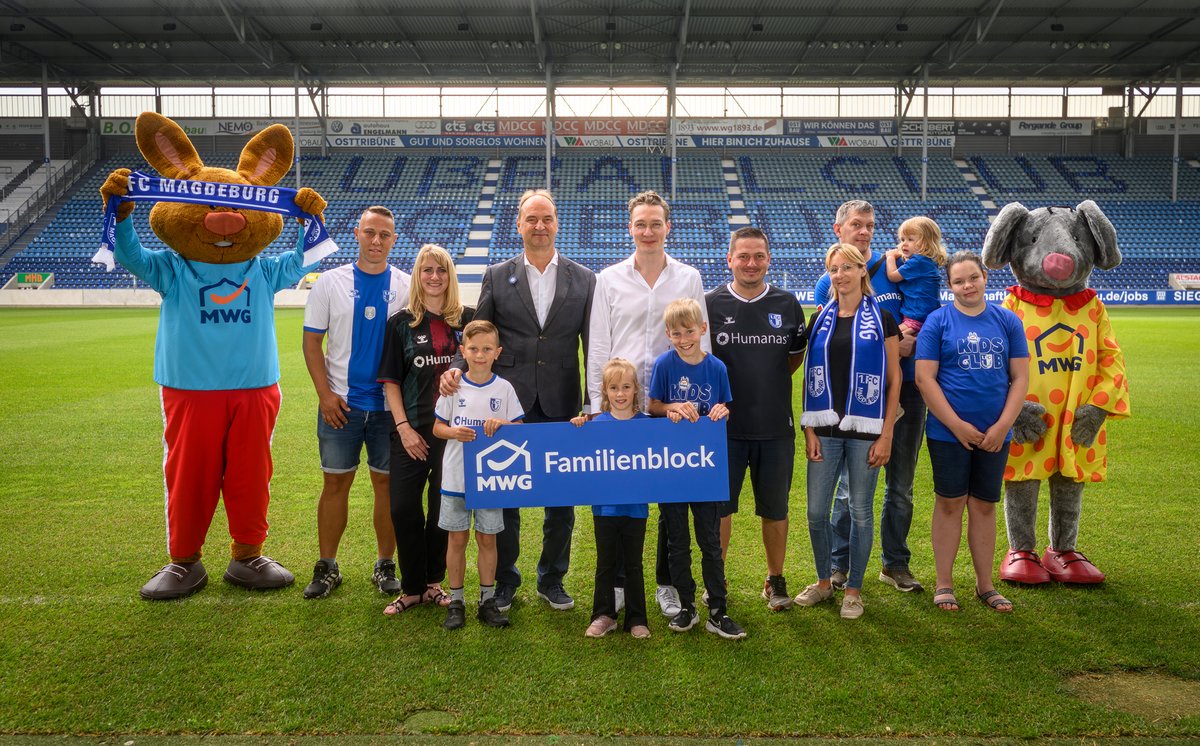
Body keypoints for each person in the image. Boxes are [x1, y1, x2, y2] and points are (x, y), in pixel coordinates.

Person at [440, 189, 595, 614]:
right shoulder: (497, 273)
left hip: (563, 405)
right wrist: (456, 366)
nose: (540, 226)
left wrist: (589, 402)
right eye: (532, 219)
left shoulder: (583, 278)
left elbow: (591, 344)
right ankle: (506, 580)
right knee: (504, 497)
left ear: (557, 223)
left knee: (561, 501)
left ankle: (552, 578)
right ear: (519, 224)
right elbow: (478, 330)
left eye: (547, 218)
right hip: (505, 410)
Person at [588, 190, 710, 620]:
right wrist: (595, 408)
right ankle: (620, 584)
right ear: (630, 228)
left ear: (667, 227)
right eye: (641, 223)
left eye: (655, 223)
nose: (648, 231)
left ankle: (665, 584)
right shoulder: (608, 278)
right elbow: (599, 345)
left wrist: (701, 402)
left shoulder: (689, 277)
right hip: (620, 408)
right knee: (620, 495)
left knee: (668, 500)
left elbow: (701, 343)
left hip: (671, 408)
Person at [813, 200, 927, 593]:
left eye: (870, 226)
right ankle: (840, 565)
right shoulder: (828, 282)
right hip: (854, 402)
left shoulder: (897, 268)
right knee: (848, 490)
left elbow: (926, 312)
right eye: (856, 225)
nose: (864, 232)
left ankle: (895, 563)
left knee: (901, 485)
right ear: (838, 229)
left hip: (905, 389)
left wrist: (913, 339)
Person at [301, 206, 410, 599]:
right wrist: (325, 395)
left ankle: (385, 564)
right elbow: (312, 343)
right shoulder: (330, 283)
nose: (377, 240)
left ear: (394, 239)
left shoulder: (406, 285)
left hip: (387, 408)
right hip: (340, 405)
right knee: (335, 483)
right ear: (357, 234)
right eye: (370, 233)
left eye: (384, 234)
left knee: (387, 486)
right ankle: (328, 565)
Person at [915, 252, 1028, 613]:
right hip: (948, 433)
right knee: (949, 504)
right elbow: (924, 378)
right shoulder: (937, 322)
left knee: (983, 505)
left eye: (973, 278)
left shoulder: (1008, 321)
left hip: (996, 434)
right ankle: (944, 584)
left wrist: (1002, 425)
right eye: (959, 281)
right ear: (949, 287)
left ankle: (985, 585)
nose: (967, 286)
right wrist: (956, 424)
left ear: (984, 278)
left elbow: (1021, 378)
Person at [797, 243, 902, 620]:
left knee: (860, 512)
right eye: (833, 269)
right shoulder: (820, 318)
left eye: (847, 267)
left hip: (866, 431)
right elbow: (811, 380)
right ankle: (825, 583)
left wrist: (887, 433)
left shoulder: (884, 318)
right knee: (814, 511)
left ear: (862, 271)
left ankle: (853, 590)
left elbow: (894, 379)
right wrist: (809, 430)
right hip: (824, 430)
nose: (839, 275)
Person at [706, 227, 807, 611]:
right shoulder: (710, 303)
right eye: (743, 256)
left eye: (758, 256)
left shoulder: (787, 303)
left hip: (774, 427)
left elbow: (794, 358)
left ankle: (775, 578)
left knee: (776, 509)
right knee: (721, 509)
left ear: (768, 259)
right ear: (729, 259)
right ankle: (718, 578)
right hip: (723, 430)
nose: (751, 264)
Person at [377, 244, 472, 615]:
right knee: (402, 508)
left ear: (451, 276)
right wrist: (403, 428)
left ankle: (432, 583)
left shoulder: (466, 319)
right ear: (418, 276)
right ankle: (410, 586)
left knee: (441, 508)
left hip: (452, 434)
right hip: (411, 431)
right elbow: (391, 381)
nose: (434, 277)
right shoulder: (401, 322)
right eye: (427, 270)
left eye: (442, 270)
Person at [647, 298, 744, 640]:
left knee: (709, 540)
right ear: (668, 335)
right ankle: (686, 606)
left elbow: (724, 406)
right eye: (676, 333)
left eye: (689, 331)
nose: (684, 338)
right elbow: (654, 405)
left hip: (705, 468)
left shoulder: (716, 367)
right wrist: (671, 408)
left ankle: (718, 609)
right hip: (671, 467)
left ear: (703, 329)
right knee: (677, 541)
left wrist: (721, 412)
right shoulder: (664, 365)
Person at [433, 320, 524, 630]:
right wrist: (453, 432)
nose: (480, 354)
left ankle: (487, 602)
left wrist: (501, 425)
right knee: (457, 539)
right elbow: (437, 427)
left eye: (487, 349)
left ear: (497, 352)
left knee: (487, 539)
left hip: (489, 481)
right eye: (474, 349)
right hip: (456, 478)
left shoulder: (504, 389)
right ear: (463, 351)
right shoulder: (453, 385)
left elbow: (519, 429)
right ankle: (456, 602)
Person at [570, 359, 652, 640]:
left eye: (626, 387)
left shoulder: (647, 425)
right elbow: (576, 451)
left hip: (636, 509)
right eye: (614, 388)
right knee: (605, 562)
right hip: (604, 508)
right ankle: (603, 615)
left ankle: (637, 618)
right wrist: (579, 425)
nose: (620, 393)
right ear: (605, 391)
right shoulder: (596, 425)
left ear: (635, 389)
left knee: (633, 563)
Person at [885, 216, 948, 337]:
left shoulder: (919, 261)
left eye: (910, 239)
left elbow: (893, 276)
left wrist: (890, 258)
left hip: (916, 317)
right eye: (902, 239)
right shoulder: (926, 261)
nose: (904, 244)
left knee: (888, 338)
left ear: (926, 242)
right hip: (922, 315)